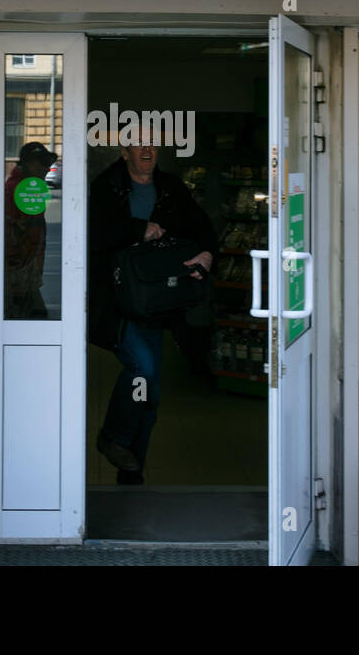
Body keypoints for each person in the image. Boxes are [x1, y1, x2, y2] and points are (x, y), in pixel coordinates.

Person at [88, 144, 216, 484]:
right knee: (141, 368)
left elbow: (201, 228)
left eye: (151, 144)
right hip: (117, 303)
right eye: (138, 144)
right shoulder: (105, 187)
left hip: (157, 303)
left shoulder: (171, 187)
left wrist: (206, 254)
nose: (146, 150)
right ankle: (113, 437)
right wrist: (136, 230)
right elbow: (90, 235)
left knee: (150, 394)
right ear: (124, 151)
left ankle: (132, 470)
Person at [4, 141, 56, 319]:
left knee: (35, 317)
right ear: (27, 164)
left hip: (26, 273)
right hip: (18, 275)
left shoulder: (28, 188)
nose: (47, 169)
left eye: (48, 164)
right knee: (31, 318)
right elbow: (11, 235)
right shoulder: (19, 189)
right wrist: (15, 271)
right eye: (42, 163)